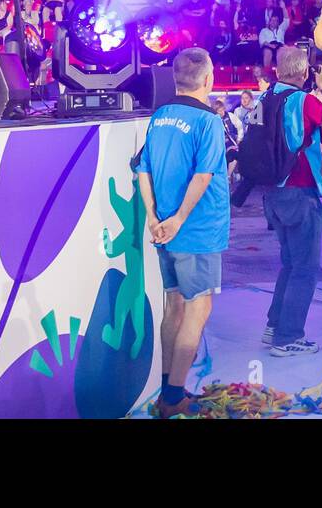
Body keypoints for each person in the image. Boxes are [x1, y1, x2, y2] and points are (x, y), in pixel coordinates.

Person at [134, 48, 229, 418]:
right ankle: (174, 398)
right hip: (196, 231)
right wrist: (177, 219)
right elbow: (203, 176)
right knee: (197, 307)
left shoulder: (159, 117)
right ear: (208, 80)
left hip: (165, 231)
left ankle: (166, 389)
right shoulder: (208, 122)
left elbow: (142, 169)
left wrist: (154, 216)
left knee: (173, 306)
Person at [261, 46, 322, 357]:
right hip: (301, 192)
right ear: (304, 73)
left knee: (289, 263)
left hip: (273, 192)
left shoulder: (266, 97)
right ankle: (288, 337)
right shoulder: (304, 101)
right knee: (305, 268)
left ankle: (274, 325)